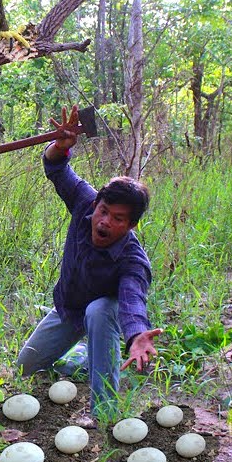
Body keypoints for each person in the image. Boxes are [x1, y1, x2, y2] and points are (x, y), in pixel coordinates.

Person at [16, 106, 163, 421]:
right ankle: (87, 356)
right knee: (25, 367)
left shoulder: (133, 259)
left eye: (118, 218)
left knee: (99, 311)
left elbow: (132, 299)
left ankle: (105, 412)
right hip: (69, 309)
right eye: (104, 211)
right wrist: (61, 146)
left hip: (102, 314)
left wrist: (137, 335)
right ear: (97, 203)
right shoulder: (86, 201)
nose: (105, 222)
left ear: (131, 225)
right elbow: (56, 168)